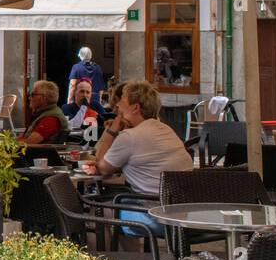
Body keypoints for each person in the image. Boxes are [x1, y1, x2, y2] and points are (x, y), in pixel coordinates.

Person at [83, 79, 194, 236]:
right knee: (118, 205)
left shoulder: (130, 137)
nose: (117, 105)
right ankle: (131, 258)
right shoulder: (165, 129)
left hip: (155, 215)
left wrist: (113, 130)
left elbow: (102, 169)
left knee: (98, 211)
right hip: (181, 211)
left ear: (135, 108)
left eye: (122, 100)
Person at [19, 80, 67, 146]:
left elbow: (29, 143)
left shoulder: (51, 118)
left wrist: (6, 144)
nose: (29, 98)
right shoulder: (44, 113)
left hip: (37, 155)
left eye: (33, 95)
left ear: (43, 98)